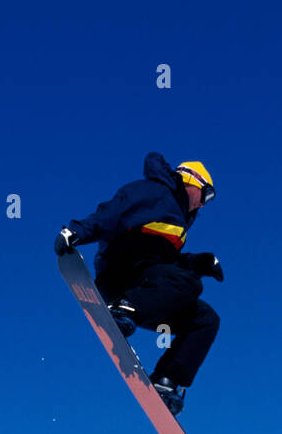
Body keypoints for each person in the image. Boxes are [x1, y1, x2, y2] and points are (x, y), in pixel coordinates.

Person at [54, 153, 223, 416]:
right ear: (191, 180)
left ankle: (165, 381)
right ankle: (124, 309)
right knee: (187, 284)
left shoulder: (178, 223)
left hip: (146, 288)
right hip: (121, 274)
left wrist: (199, 263)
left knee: (206, 318)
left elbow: (166, 264)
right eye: (206, 195)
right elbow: (114, 211)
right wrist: (78, 230)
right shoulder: (156, 192)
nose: (203, 205)